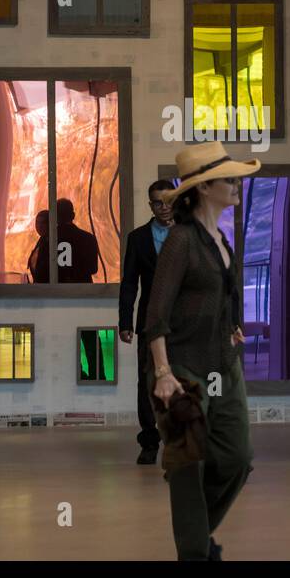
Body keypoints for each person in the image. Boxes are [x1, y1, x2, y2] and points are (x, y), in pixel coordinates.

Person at [143, 142, 259, 560]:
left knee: (237, 458)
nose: (237, 186)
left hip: (224, 365)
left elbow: (219, 298)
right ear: (205, 187)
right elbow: (155, 313)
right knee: (188, 467)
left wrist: (230, 330)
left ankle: (195, 534)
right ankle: (195, 552)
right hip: (181, 370)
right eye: (229, 179)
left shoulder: (222, 240)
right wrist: (162, 374)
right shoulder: (181, 240)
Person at [118, 179, 174, 465]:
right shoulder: (138, 238)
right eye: (157, 202)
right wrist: (125, 321)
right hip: (150, 321)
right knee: (147, 381)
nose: (164, 208)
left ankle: (182, 439)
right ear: (150, 205)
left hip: (183, 321)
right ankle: (150, 441)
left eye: (168, 201)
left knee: (186, 379)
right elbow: (129, 283)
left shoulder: (191, 233)